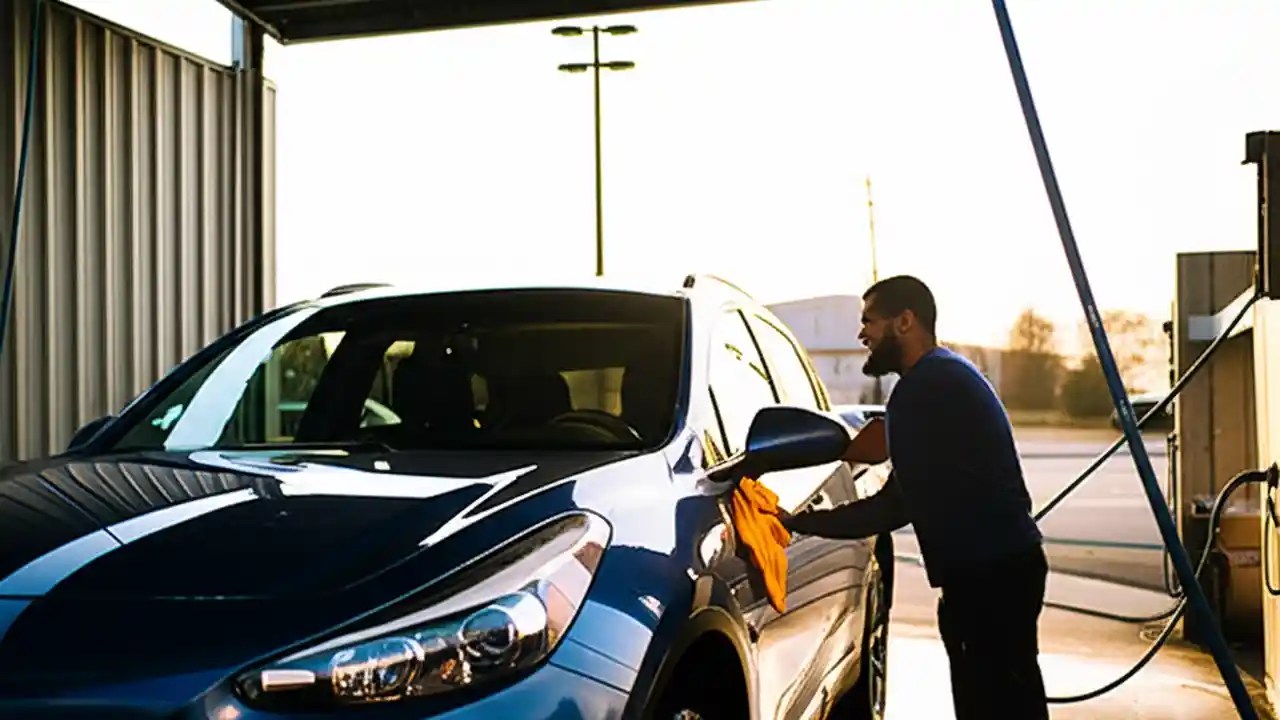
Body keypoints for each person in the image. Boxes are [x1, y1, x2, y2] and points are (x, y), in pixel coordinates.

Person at [781, 275, 1049, 720]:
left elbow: (890, 506)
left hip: (987, 582)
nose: (861, 334)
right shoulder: (945, 375)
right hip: (1004, 571)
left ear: (905, 321)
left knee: (992, 706)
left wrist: (801, 521)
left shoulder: (924, 387)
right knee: (1011, 704)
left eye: (870, 321)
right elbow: (887, 453)